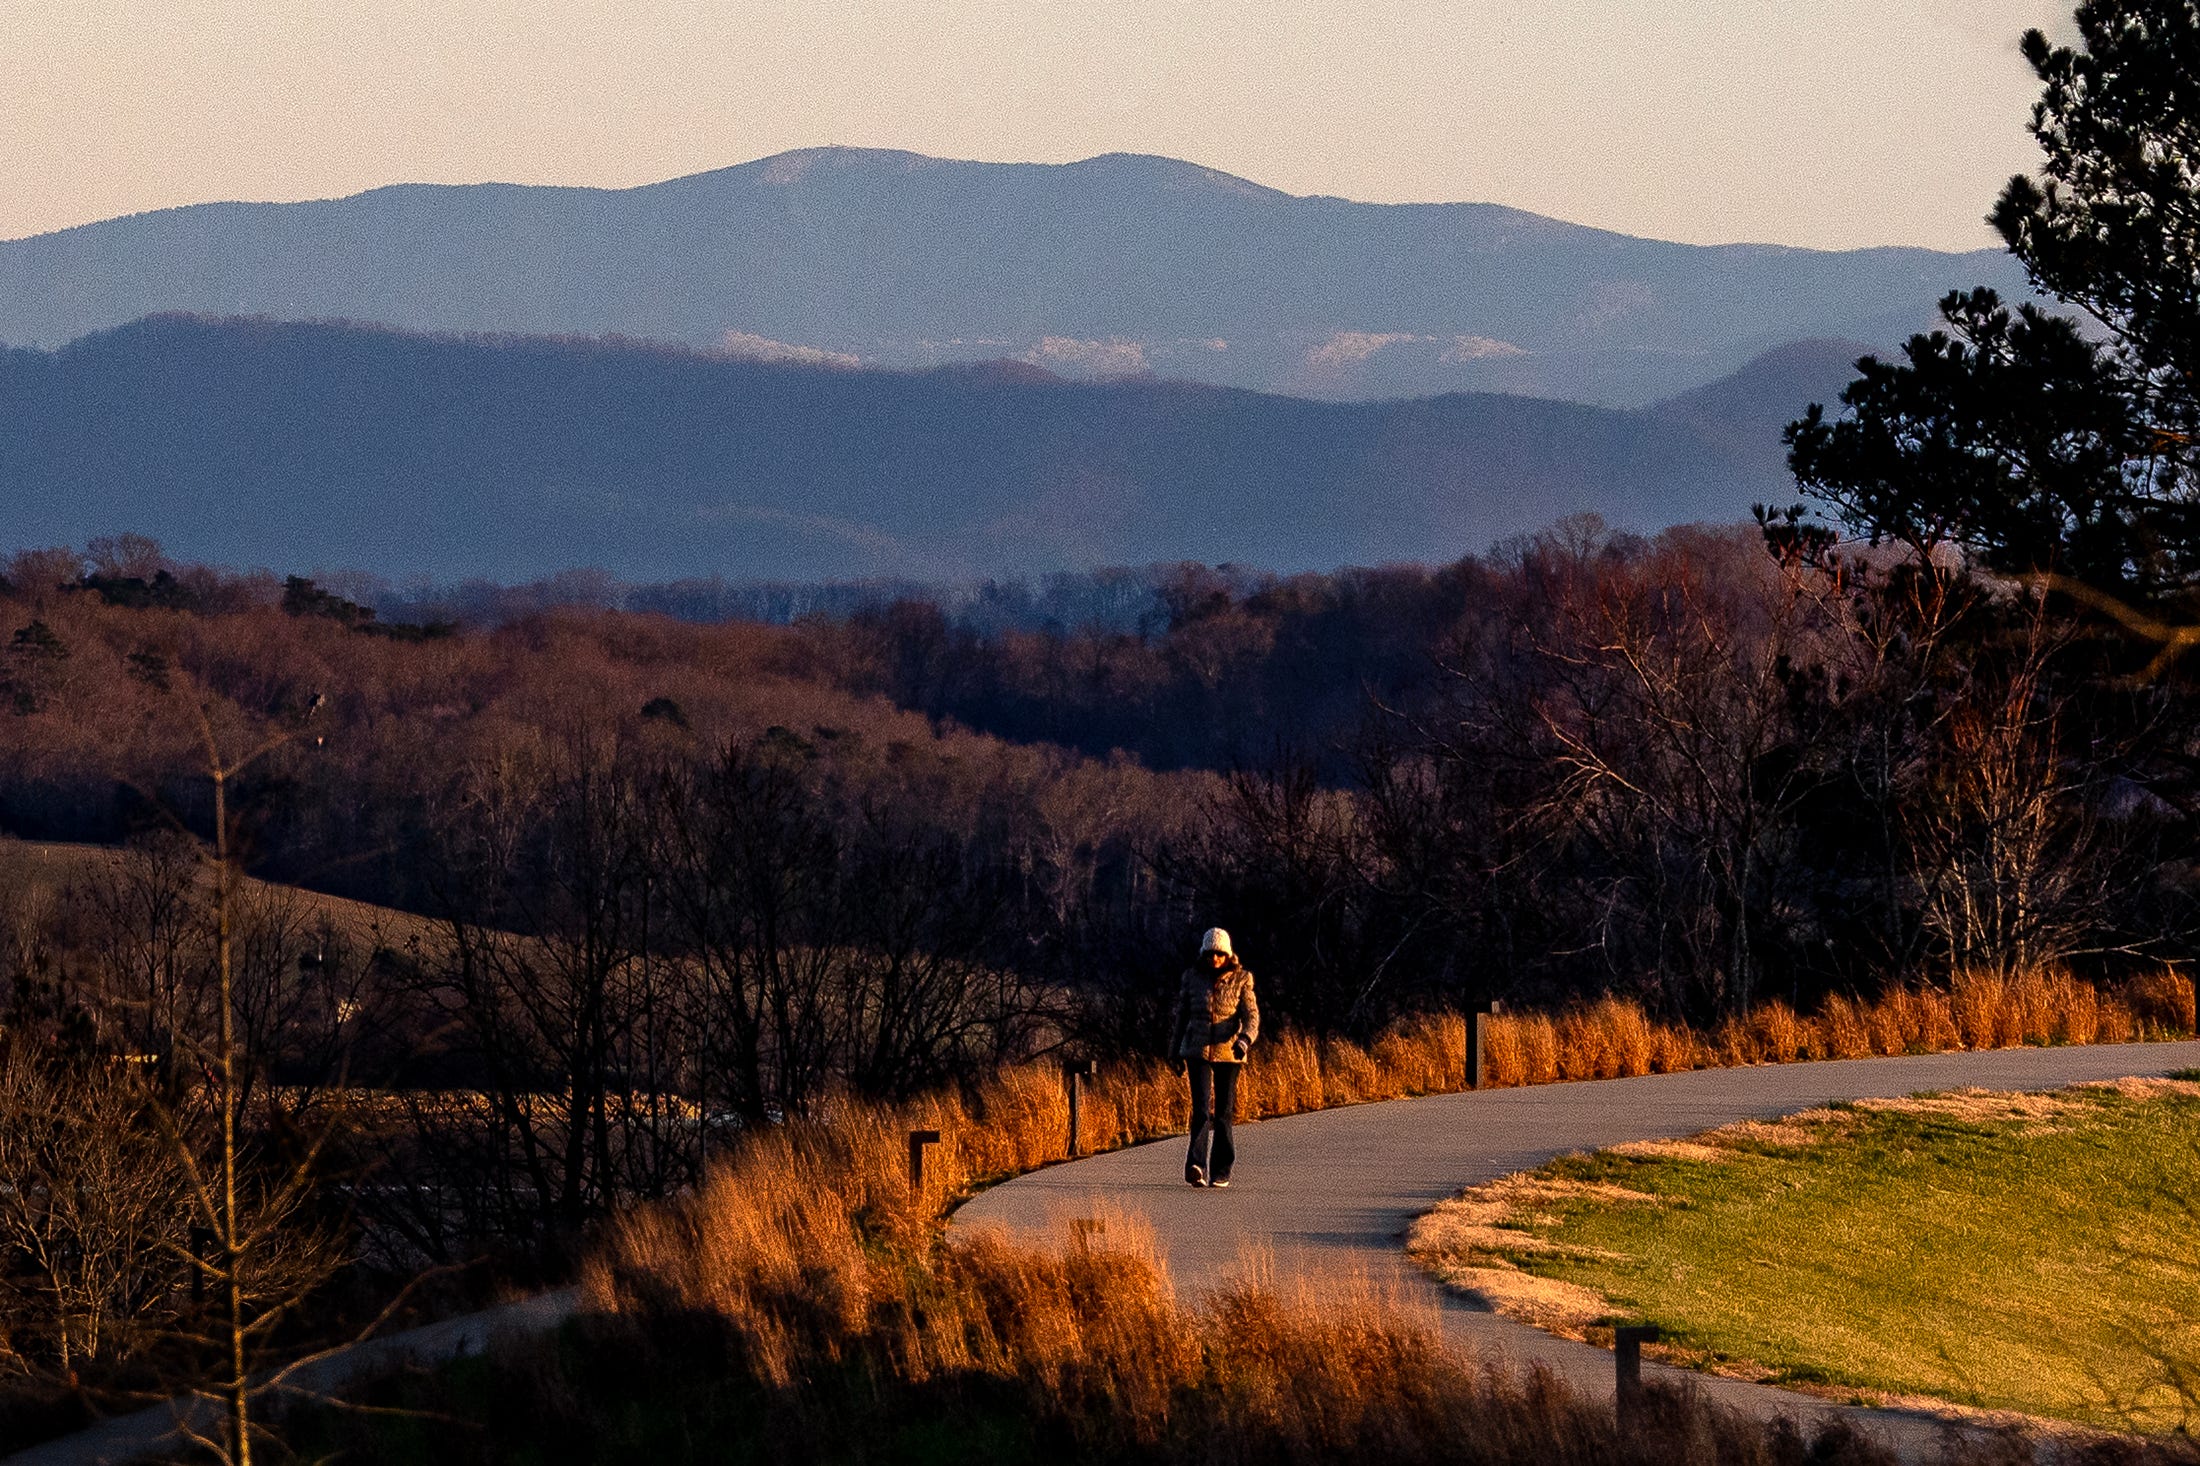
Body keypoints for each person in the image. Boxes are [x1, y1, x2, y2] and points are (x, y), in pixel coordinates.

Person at [1169, 926, 1259, 1188]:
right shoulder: (1192, 978)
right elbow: (1181, 1017)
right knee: (1200, 1110)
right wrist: (1174, 1051)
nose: (1214, 959)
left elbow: (1251, 1016)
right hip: (1197, 1051)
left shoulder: (1242, 979)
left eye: (1219, 954)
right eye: (1210, 954)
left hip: (1230, 1053)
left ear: (1227, 954)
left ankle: (1221, 1169)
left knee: (1223, 1113)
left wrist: (1245, 1039)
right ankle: (1196, 1165)